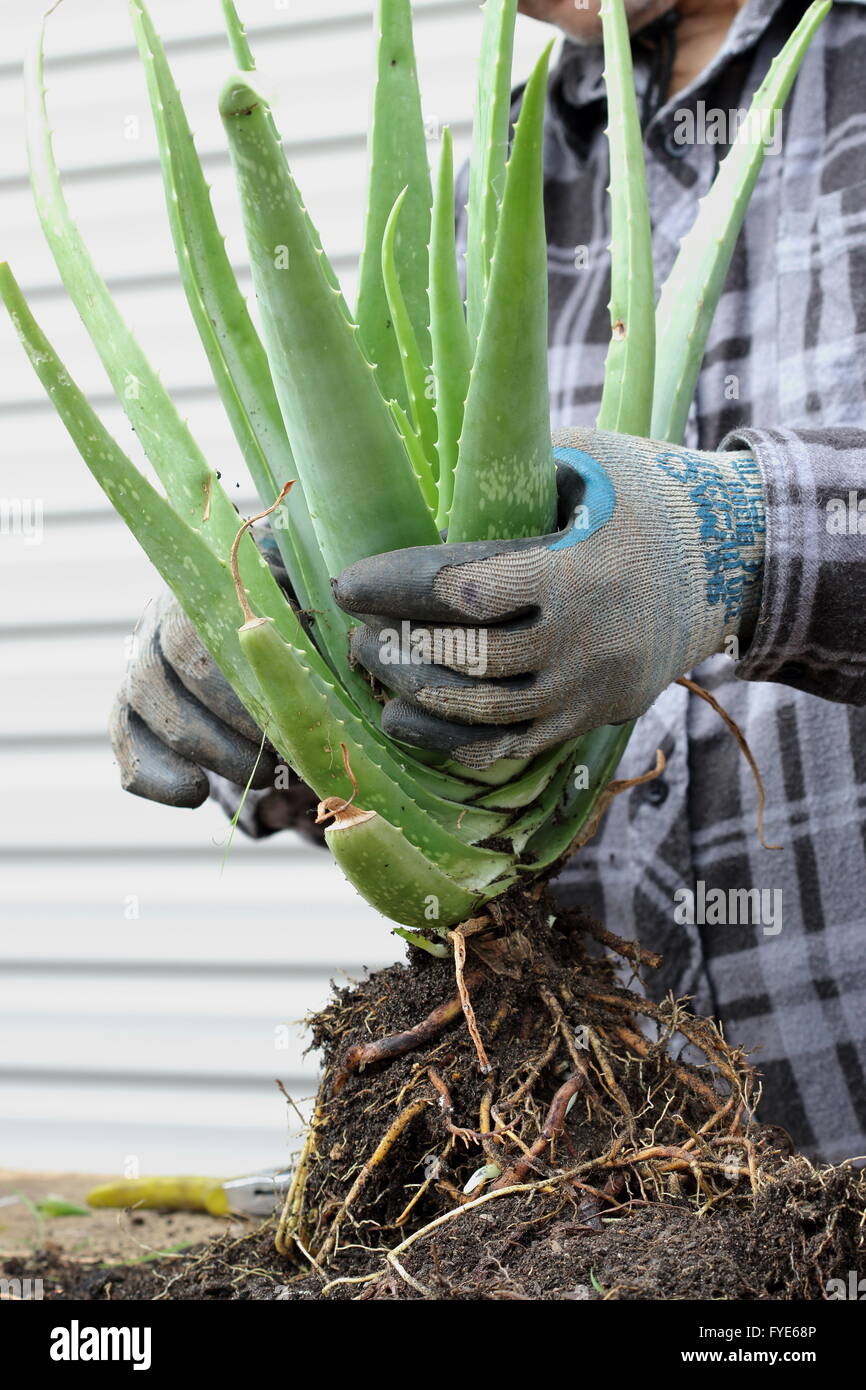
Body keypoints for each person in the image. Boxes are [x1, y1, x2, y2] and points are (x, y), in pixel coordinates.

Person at [111, 0, 866, 1163]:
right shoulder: (485, 177)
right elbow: (433, 661)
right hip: (570, 1192)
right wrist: (285, 671)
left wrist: (737, 546)